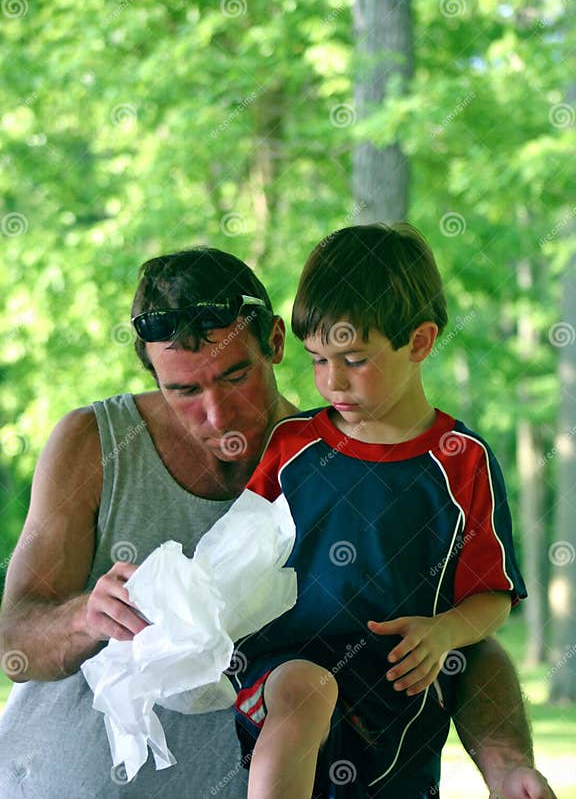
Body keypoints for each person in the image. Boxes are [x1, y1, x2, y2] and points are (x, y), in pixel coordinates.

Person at [0, 247, 555, 799]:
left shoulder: (337, 460)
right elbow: (13, 646)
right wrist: (86, 620)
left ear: (276, 342)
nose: (217, 414)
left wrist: (508, 766)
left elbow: (464, 636)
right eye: (184, 391)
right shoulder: (93, 441)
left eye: (235, 375)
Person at [228, 223, 525, 796]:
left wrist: (443, 633)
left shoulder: (462, 461)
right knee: (306, 689)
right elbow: (233, 559)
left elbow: (493, 595)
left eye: (354, 358)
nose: (331, 380)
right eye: (317, 359)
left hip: (400, 696)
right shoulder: (292, 446)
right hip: (284, 672)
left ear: (419, 342)